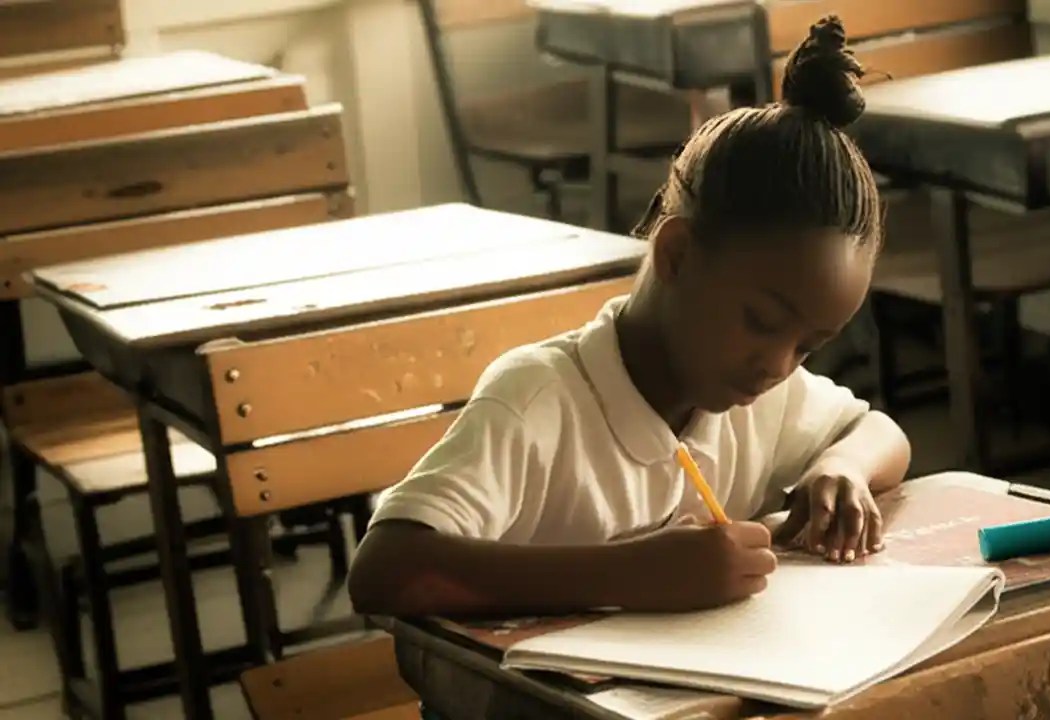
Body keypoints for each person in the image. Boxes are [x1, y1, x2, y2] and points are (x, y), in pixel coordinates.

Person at [348, 15, 910, 619]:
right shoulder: (539, 401)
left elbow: (881, 433)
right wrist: (627, 575)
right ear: (678, 255)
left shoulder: (758, 398)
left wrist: (842, 466)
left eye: (807, 346)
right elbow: (386, 570)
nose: (778, 364)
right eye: (761, 321)